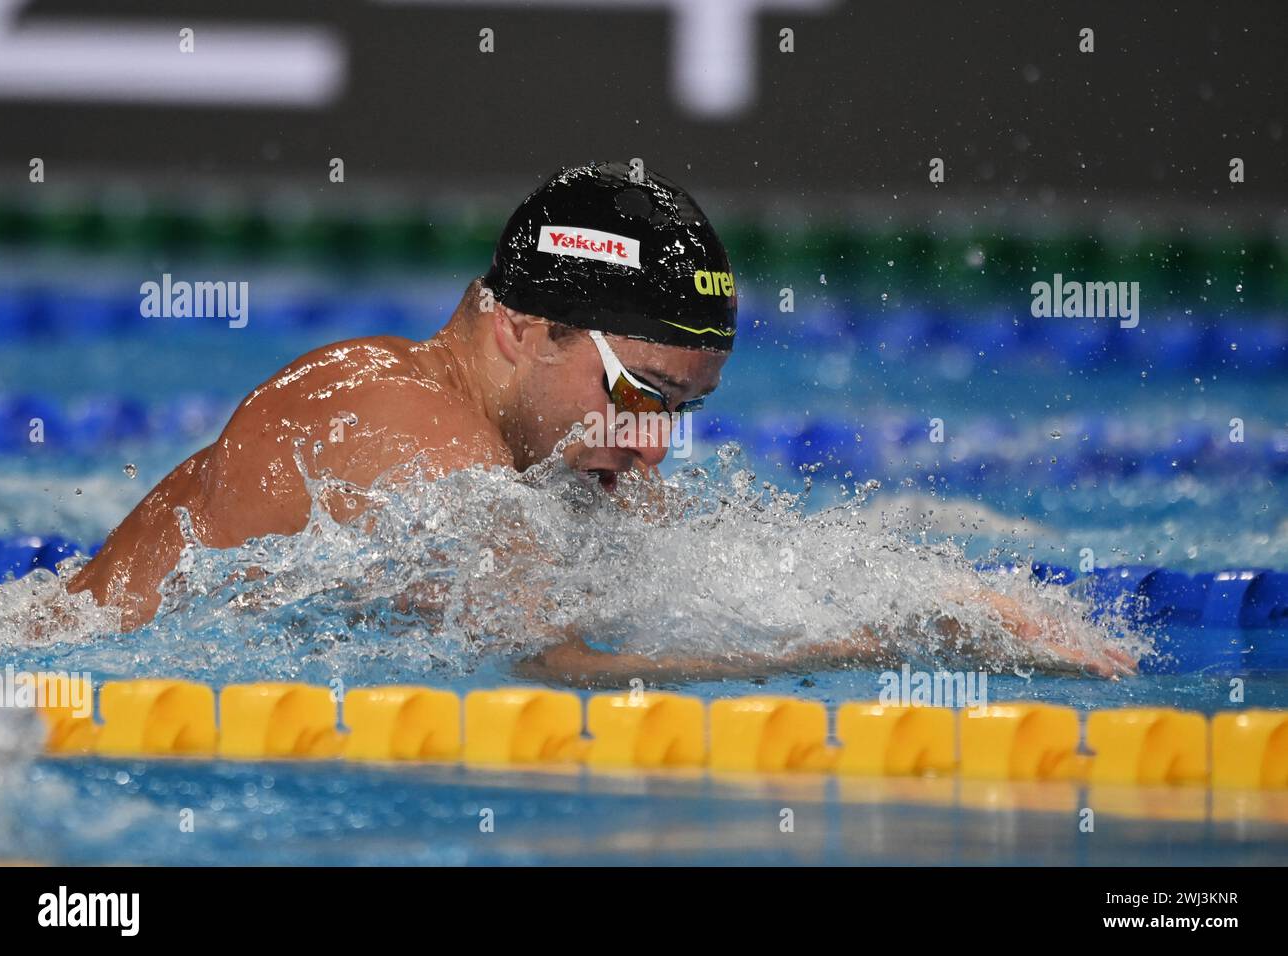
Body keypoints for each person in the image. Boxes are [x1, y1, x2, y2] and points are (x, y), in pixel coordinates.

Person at [66, 160, 1133, 681]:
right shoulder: (400, 421)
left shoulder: (563, 454)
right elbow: (557, 663)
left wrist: (954, 590)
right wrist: (877, 643)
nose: (651, 439)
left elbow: (711, 577)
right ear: (524, 329)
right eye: (640, 391)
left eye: (685, 409)